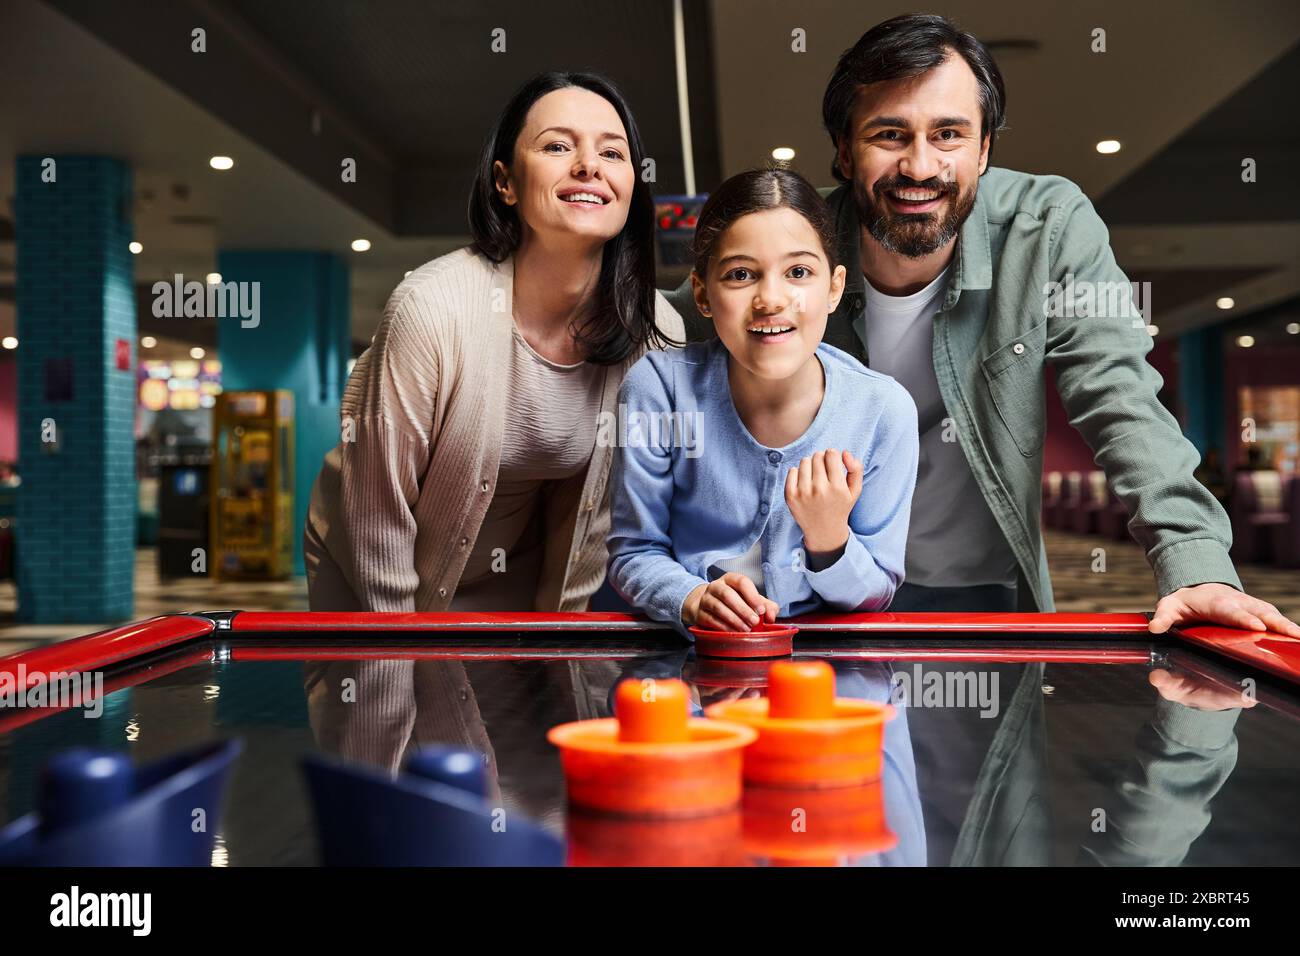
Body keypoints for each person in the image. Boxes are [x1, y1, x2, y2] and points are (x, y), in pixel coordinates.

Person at [664, 13, 1299, 637]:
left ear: (984, 147)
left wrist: (1194, 563)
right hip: (814, 597)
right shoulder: (797, 248)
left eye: (948, 134)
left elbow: (1120, 397)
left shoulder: (1047, 226)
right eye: (888, 135)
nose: (919, 166)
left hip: (983, 594)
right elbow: (672, 317)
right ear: (843, 150)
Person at [305, 71, 683, 616]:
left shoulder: (655, 330)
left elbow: (598, 525)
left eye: (612, 152)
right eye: (557, 146)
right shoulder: (433, 309)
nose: (589, 166)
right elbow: (375, 515)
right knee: (382, 696)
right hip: (366, 572)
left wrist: (564, 649)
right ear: (505, 182)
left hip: (512, 572)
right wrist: (401, 652)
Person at [610, 168, 918, 632]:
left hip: (829, 680)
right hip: (689, 670)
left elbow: (876, 593)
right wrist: (690, 598)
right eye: (740, 274)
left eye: (798, 272)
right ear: (702, 294)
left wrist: (829, 537)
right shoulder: (659, 390)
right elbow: (633, 553)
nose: (771, 299)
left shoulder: (882, 411)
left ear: (834, 287)